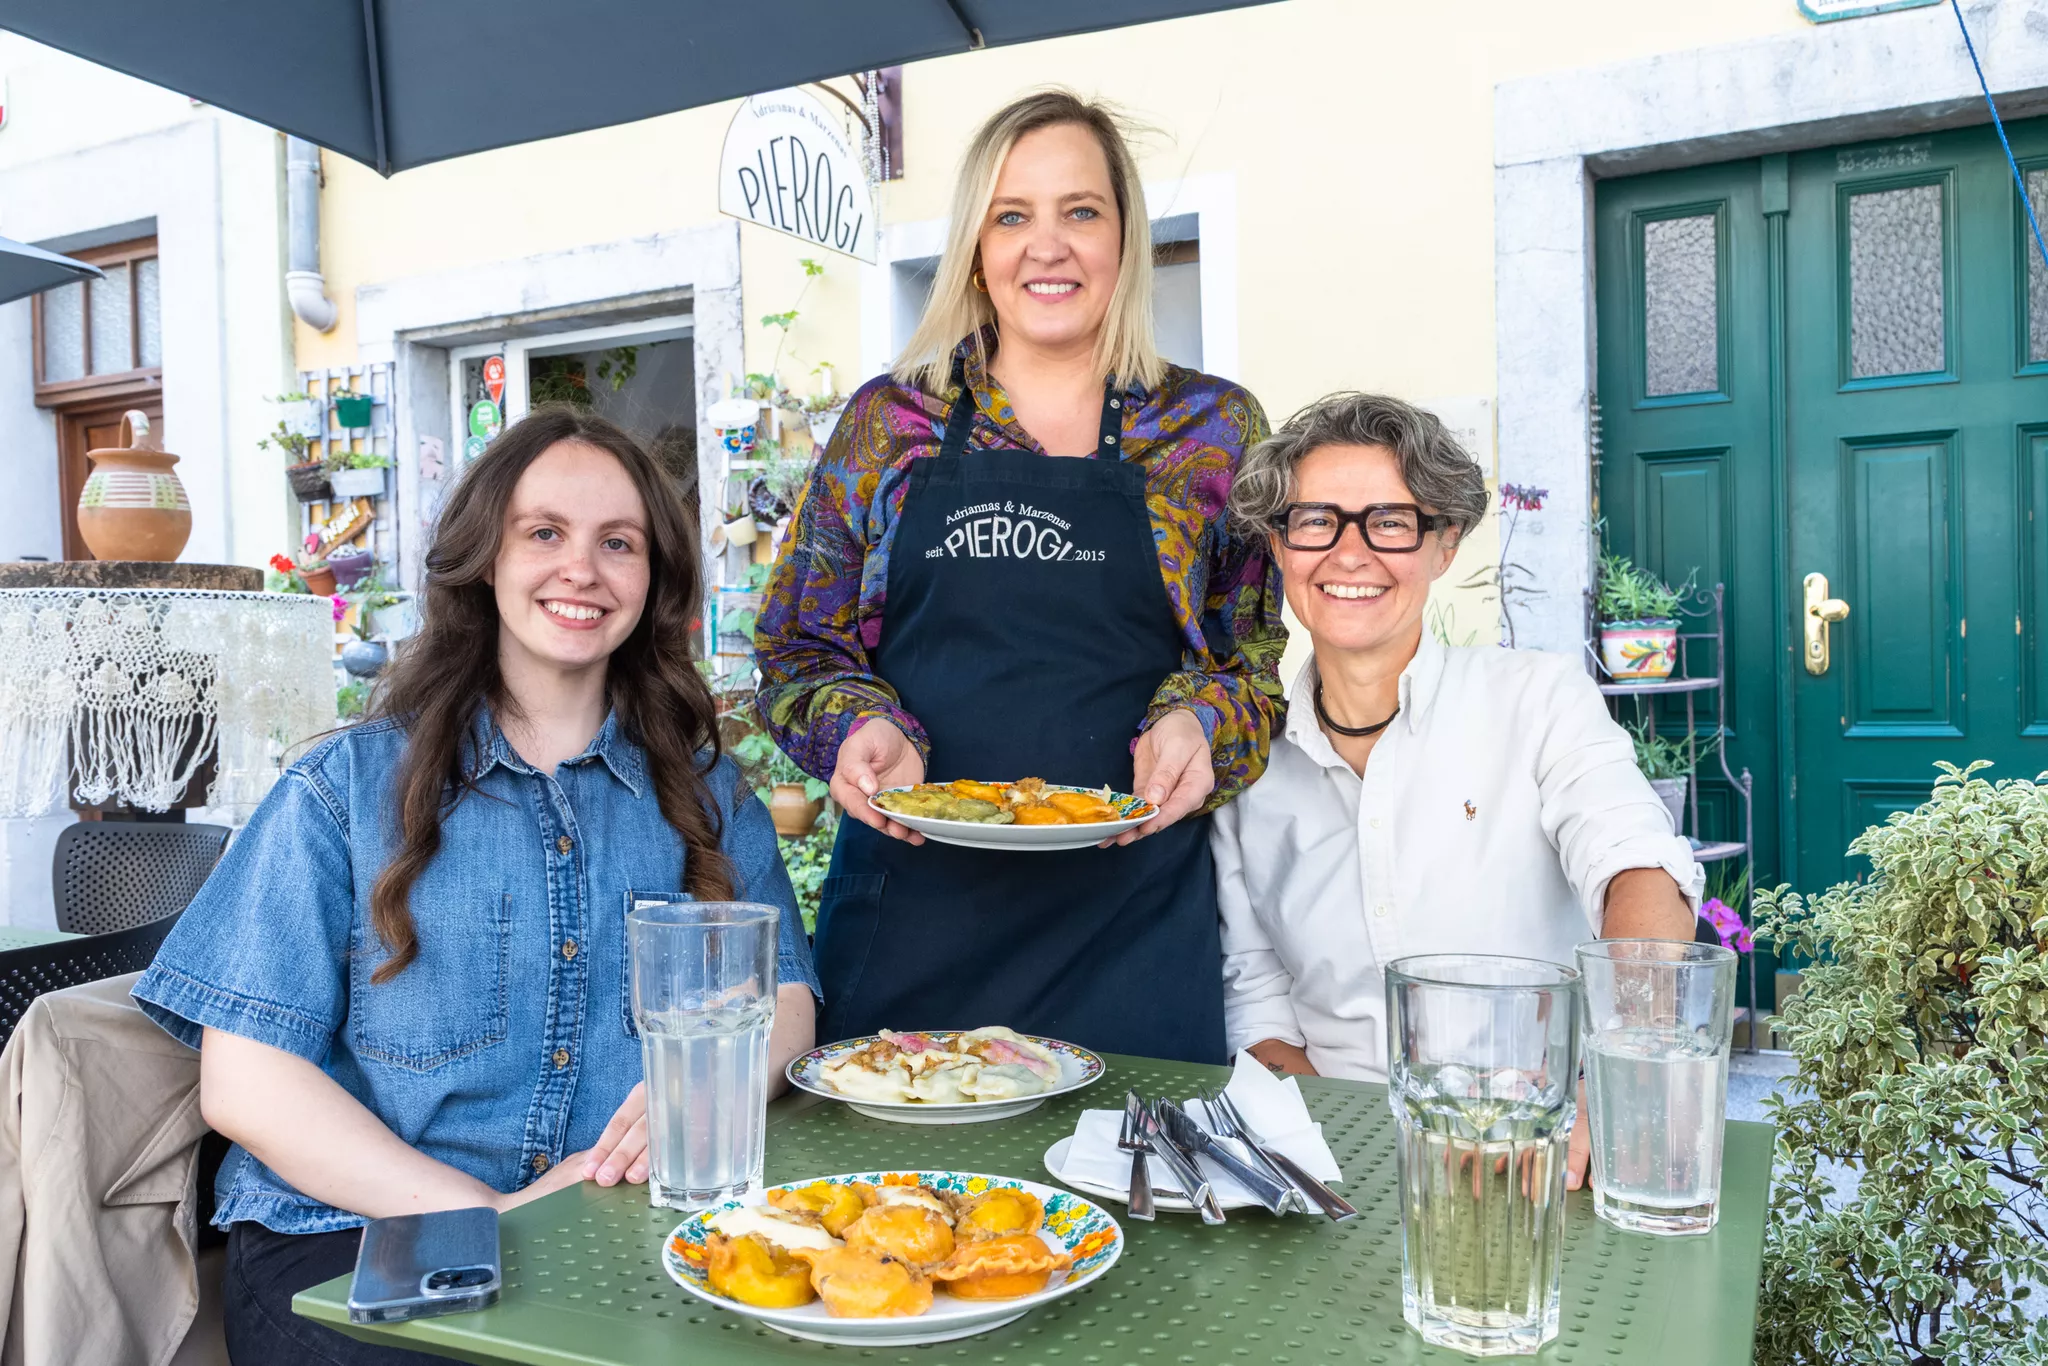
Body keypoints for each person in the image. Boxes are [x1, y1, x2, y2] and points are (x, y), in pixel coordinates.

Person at [132, 408, 820, 1365]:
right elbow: (248, 1085)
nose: (581, 569)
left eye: (617, 543)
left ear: (652, 581)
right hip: (359, 1233)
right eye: (544, 533)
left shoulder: (707, 793)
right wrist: (493, 1215)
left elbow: (784, 991)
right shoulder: (342, 790)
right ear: (483, 560)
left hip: (621, 1234)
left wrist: (704, 1102)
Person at [754, 90, 1284, 1064]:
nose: (1047, 246)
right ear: (974, 246)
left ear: (1123, 234)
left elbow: (1248, 669)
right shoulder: (889, 426)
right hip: (912, 926)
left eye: (1079, 211)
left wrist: (1198, 724)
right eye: (1012, 216)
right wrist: (858, 727)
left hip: (1130, 934)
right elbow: (796, 647)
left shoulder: (1211, 433)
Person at [1211, 393, 1700, 1177]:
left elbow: (1637, 870)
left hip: (1541, 1156)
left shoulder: (1538, 700)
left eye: (1391, 522)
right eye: (1315, 521)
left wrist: (1607, 1085)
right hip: (1337, 1170)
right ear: (1278, 547)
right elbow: (1257, 1001)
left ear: (1444, 545)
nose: (1349, 552)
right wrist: (1347, 1156)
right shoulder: (1248, 765)